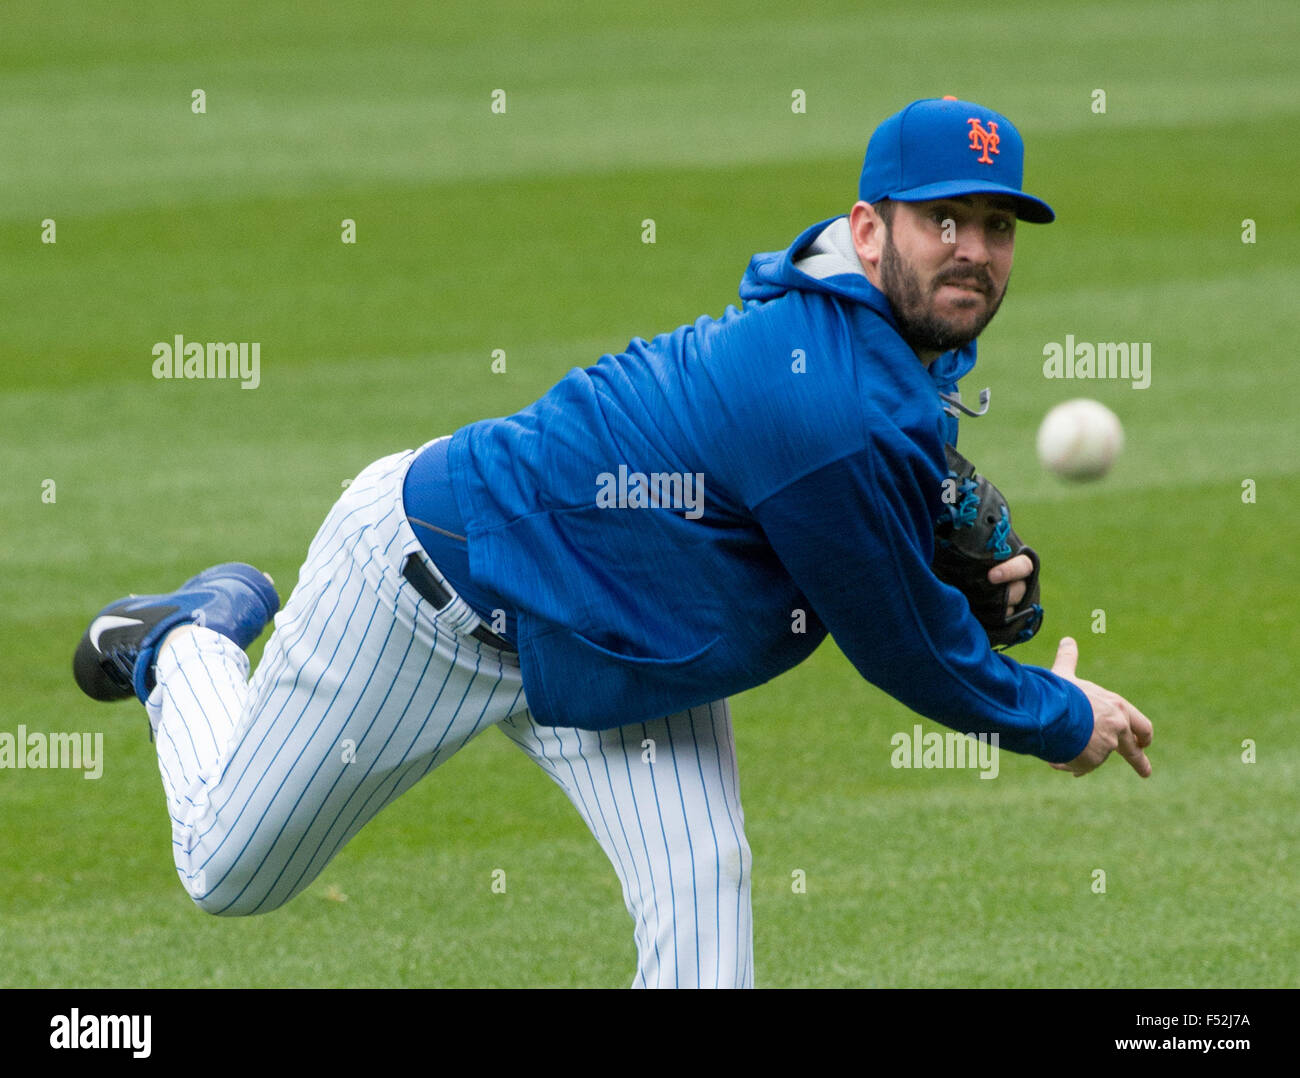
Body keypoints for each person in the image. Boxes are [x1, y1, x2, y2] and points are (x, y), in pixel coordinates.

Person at [73, 97, 1152, 988]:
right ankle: (187, 640)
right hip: (430, 590)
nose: (973, 250)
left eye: (996, 226)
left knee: (703, 907)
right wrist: (1059, 716)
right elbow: (901, 644)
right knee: (227, 869)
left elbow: (849, 518)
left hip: (623, 647)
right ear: (870, 230)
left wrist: (925, 538)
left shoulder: (859, 316)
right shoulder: (825, 404)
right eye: (942, 220)